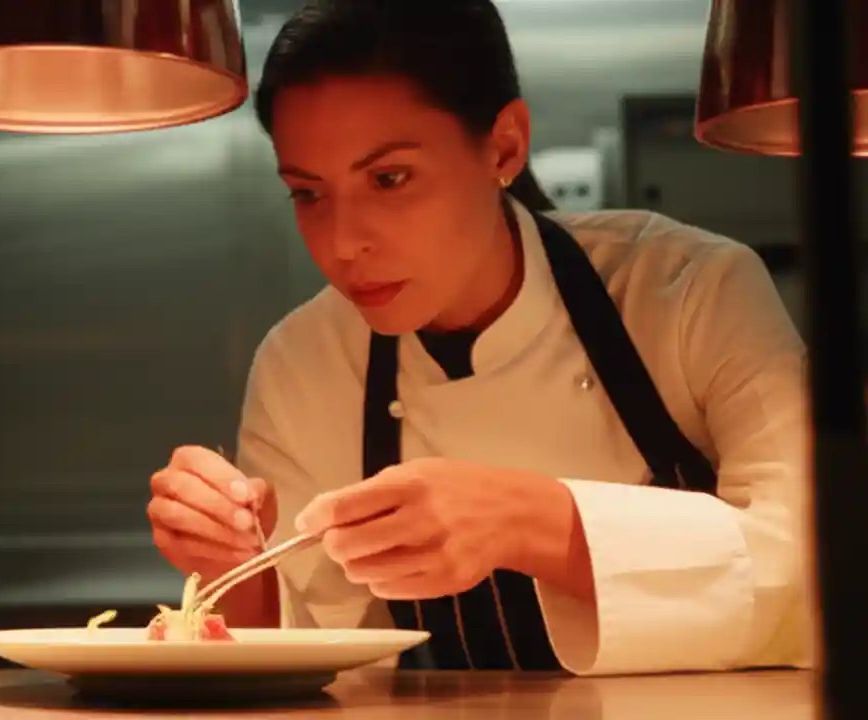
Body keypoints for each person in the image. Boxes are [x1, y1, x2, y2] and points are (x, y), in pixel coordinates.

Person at [146, 0, 811, 676]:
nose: (343, 244)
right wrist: (234, 566)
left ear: (504, 147)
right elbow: (306, 653)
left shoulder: (690, 290)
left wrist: (530, 522)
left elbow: (814, 573)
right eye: (308, 194)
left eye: (389, 179)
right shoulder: (304, 364)